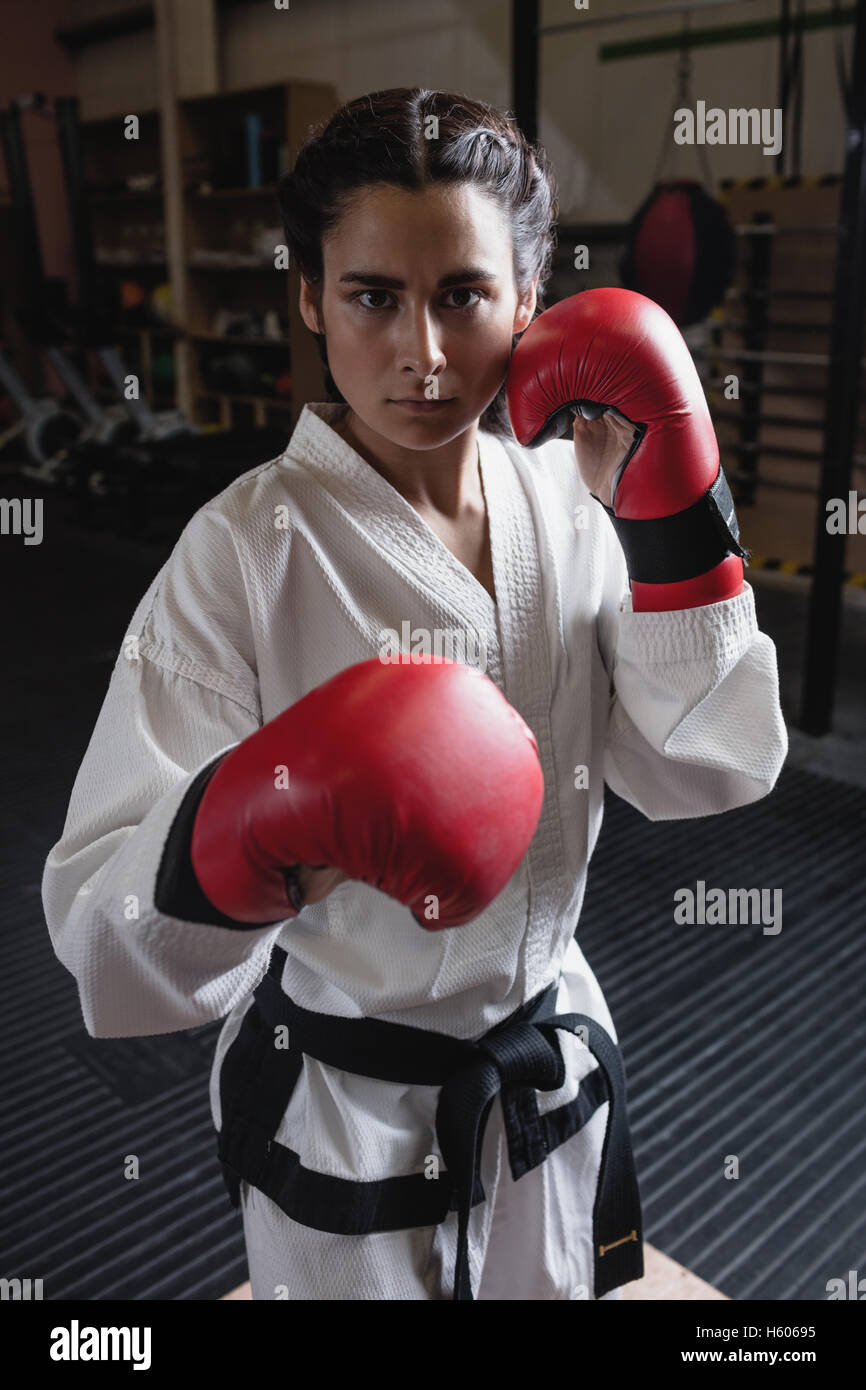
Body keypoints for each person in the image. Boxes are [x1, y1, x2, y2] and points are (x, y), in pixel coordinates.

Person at [41, 87, 788, 1301]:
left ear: (529, 301)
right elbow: (106, 948)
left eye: (461, 296)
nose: (423, 354)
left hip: (544, 1061)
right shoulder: (243, 552)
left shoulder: (566, 498)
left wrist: (671, 527)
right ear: (308, 298)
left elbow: (700, 765)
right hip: (345, 1102)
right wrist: (257, 822)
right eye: (372, 297)